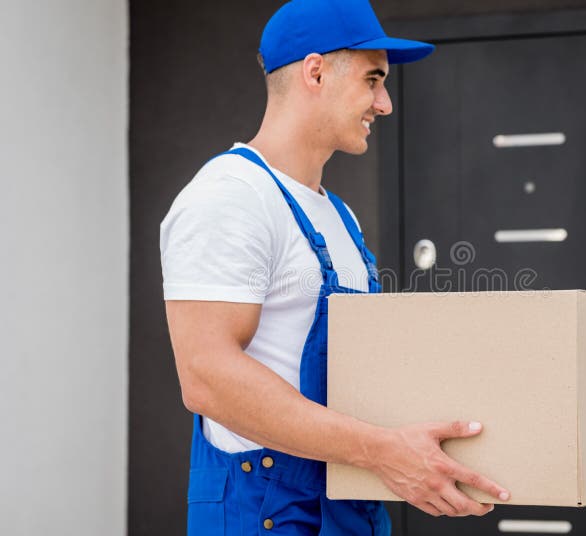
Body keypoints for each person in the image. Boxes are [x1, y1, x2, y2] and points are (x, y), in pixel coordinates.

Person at [160, 0, 510, 533]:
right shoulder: (231, 197)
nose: (385, 103)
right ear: (316, 71)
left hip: (350, 507)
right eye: (373, 80)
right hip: (267, 515)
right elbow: (207, 379)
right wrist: (383, 453)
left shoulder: (338, 215)